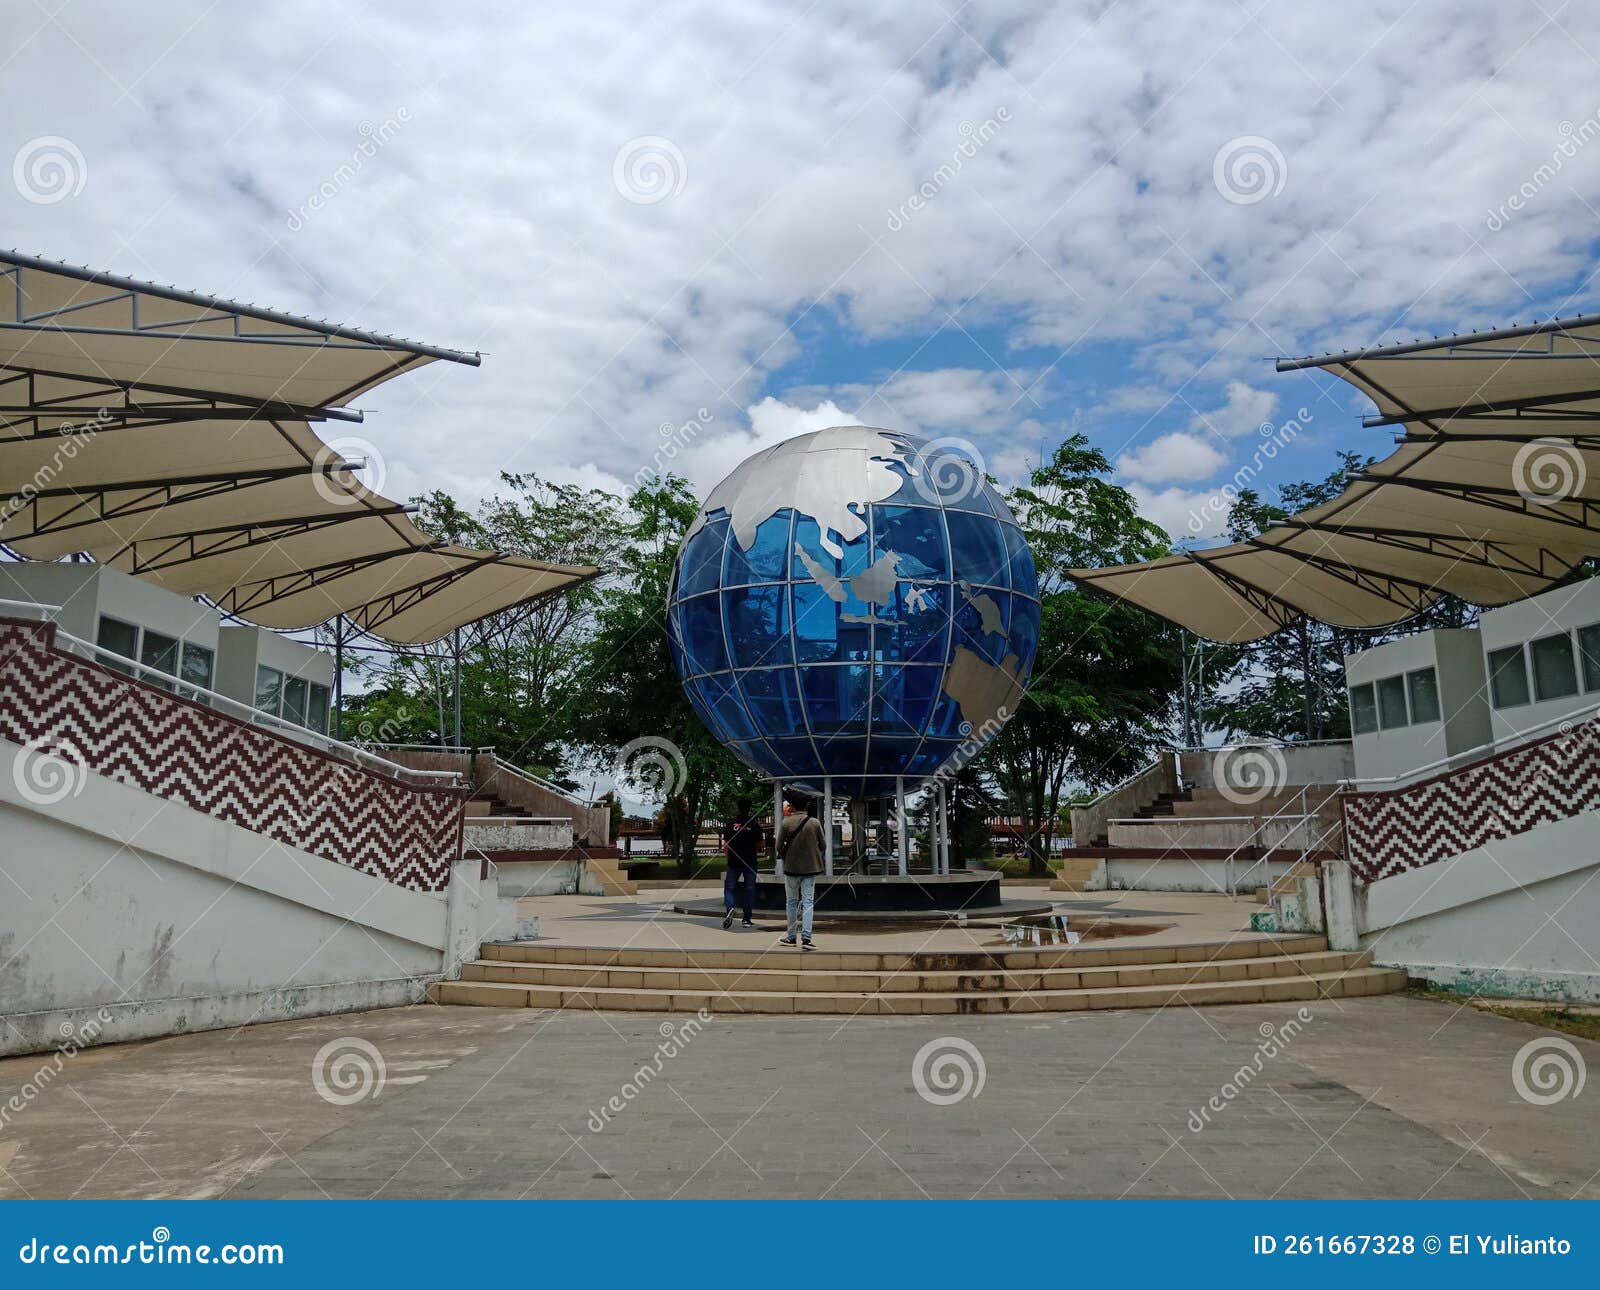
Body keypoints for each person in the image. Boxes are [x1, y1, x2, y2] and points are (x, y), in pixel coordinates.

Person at [775, 794, 824, 949]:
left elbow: (778, 846)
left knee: (791, 902)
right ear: (806, 806)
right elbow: (823, 845)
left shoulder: (786, 823)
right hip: (810, 868)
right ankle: (807, 938)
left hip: (791, 868)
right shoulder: (814, 823)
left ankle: (791, 937)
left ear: (792, 806)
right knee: (808, 903)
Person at [720, 796, 762, 929]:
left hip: (734, 861)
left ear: (738, 807)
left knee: (729, 888)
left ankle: (730, 908)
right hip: (750, 861)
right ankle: (746, 919)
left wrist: (729, 858)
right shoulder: (754, 824)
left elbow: (726, 844)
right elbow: (760, 844)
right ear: (750, 808)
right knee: (749, 890)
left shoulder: (731, 823)